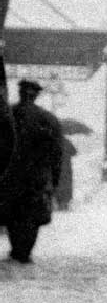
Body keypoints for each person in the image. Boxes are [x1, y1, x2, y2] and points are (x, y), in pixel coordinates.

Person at [0, 80, 63, 264]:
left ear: (20, 94)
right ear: (36, 96)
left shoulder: (8, 115)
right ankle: (24, 251)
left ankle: (17, 250)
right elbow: (56, 154)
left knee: (13, 215)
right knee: (32, 217)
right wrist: (55, 180)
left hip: (10, 175)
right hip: (37, 178)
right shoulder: (48, 119)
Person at [54, 136, 77, 211]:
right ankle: (65, 203)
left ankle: (58, 202)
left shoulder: (54, 143)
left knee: (57, 184)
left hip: (56, 167)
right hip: (66, 168)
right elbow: (74, 152)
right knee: (66, 185)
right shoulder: (67, 142)